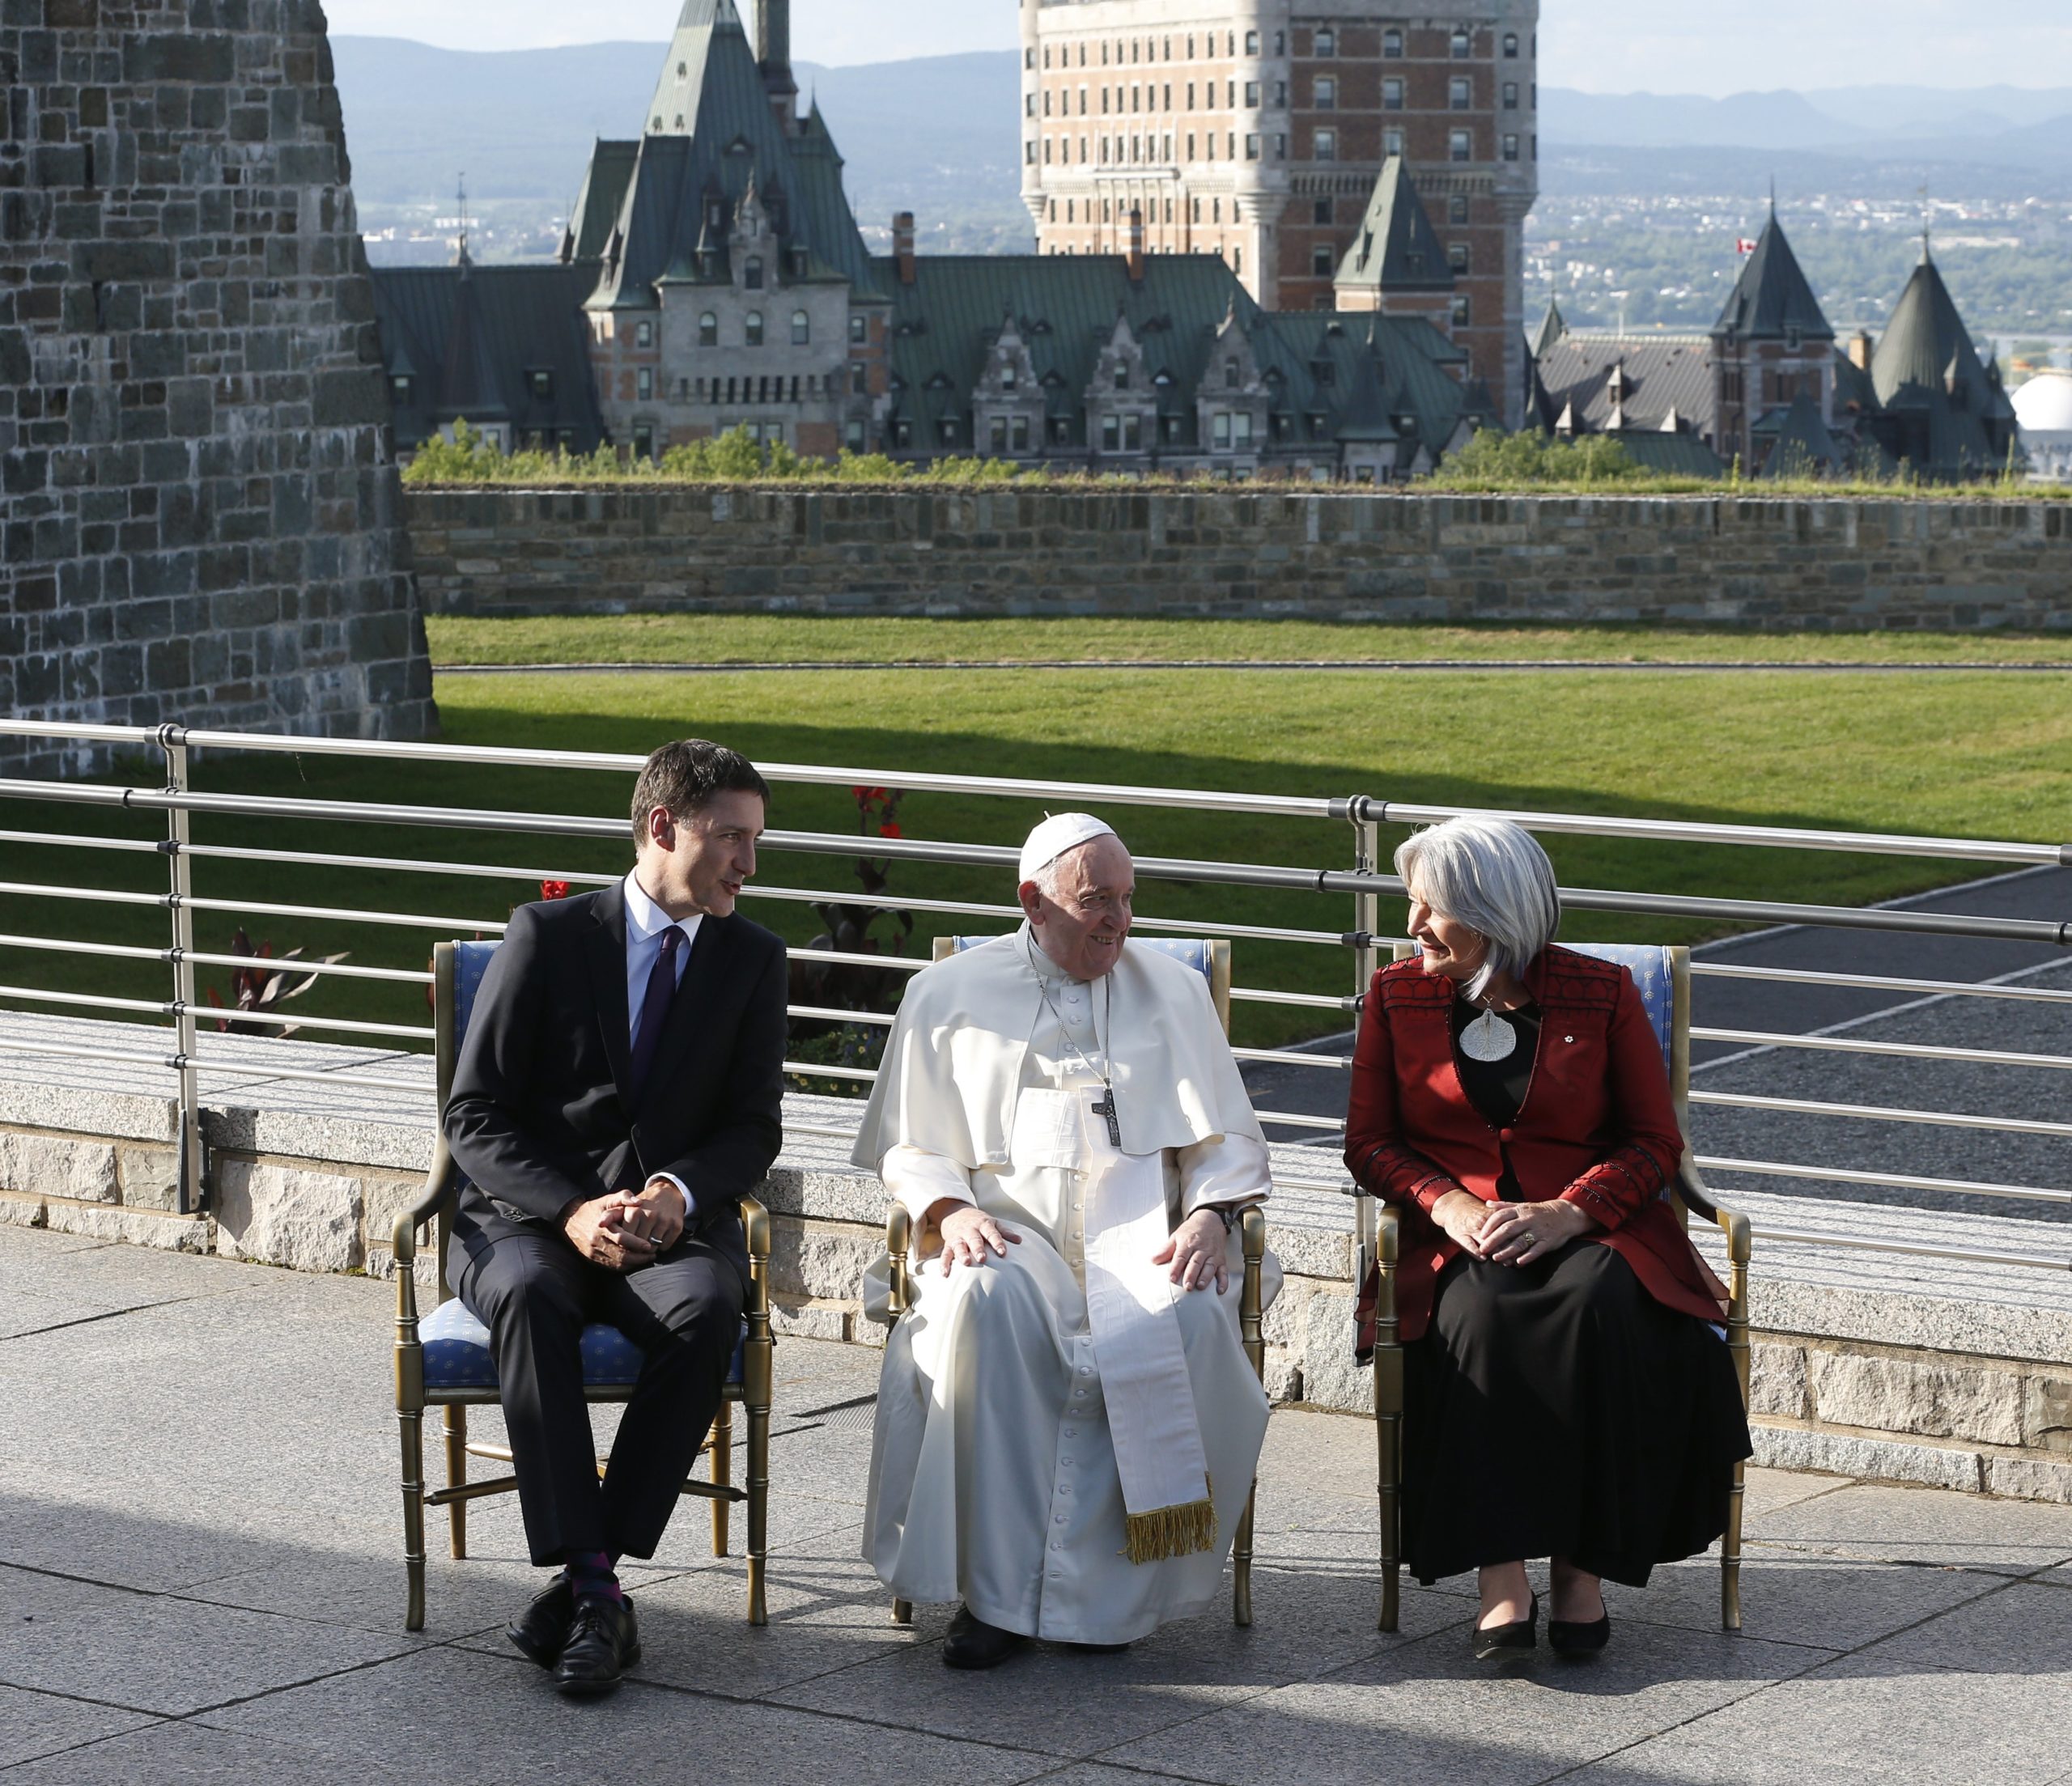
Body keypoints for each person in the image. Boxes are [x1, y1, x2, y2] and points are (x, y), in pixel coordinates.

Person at [855, 814, 1277, 1668]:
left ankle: (1113, 1601)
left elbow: (1224, 1139)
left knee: (1188, 1315)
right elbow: (910, 1142)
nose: (1117, 921)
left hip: (1145, 1238)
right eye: (1096, 902)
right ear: (1032, 902)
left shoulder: (1174, 992)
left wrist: (1207, 1214)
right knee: (983, 1303)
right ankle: (993, 1598)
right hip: (1008, 1237)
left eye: (1126, 900)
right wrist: (948, 1209)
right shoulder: (948, 994)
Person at [1344, 816, 1751, 1661]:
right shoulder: (1394, 995)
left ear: (1492, 912)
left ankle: (1579, 1569)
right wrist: (1446, 1201)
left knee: (1600, 1307)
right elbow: (1369, 1141)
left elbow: (1652, 1139)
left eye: (1428, 908)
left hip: (1593, 1229)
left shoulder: (1601, 993)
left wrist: (1573, 1209)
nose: (1410, 926)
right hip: (1458, 1237)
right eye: (1408, 905)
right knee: (1484, 1318)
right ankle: (1500, 1575)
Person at [444, 740, 786, 1696]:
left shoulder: (755, 958)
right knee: (525, 1297)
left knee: (708, 1309)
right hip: (528, 1220)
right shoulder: (548, 937)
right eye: (730, 837)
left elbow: (755, 1123)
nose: (748, 863)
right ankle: (597, 1589)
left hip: (666, 1229)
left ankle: (584, 1583)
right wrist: (571, 1209)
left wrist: (677, 1192)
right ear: (661, 826)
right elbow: (473, 1113)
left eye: (756, 840)